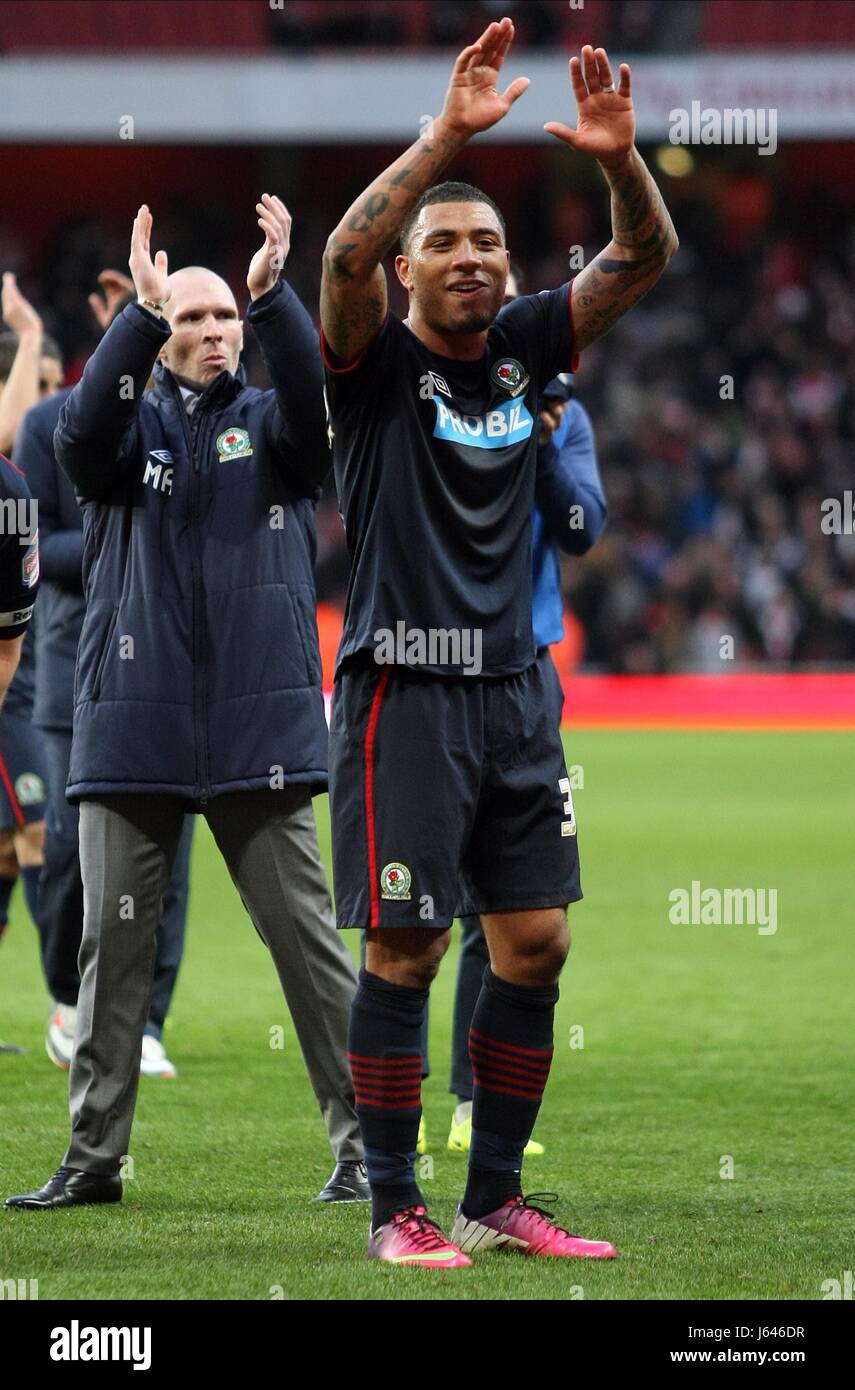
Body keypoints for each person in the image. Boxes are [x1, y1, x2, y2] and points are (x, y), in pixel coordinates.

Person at [320, 23, 677, 1266]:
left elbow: (646, 253)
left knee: (536, 940)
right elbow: (342, 247)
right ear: (410, 269)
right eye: (445, 246)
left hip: (519, 692)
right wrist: (448, 139)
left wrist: (624, 162)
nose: (468, 259)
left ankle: (492, 1194)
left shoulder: (528, 349)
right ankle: (390, 1210)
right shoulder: (367, 364)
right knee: (408, 943)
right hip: (402, 690)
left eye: (485, 243)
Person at [6, 196, 367, 1212]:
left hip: (261, 734)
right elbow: (80, 435)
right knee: (110, 957)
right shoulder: (123, 443)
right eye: (192, 320)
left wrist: (278, 296)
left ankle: (366, 1152)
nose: (212, 332)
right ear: (162, 341)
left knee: (311, 954)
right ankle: (92, 1162)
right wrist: (139, 313)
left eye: (225, 320)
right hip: (136, 729)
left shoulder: (276, 431)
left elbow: (316, 402)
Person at [14, 270, 193, 1079]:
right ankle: (66, 998)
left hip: (163, 666)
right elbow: (33, 551)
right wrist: (125, 546)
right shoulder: (50, 424)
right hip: (68, 666)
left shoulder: (181, 424)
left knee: (172, 852)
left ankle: (148, 1016)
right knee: (61, 852)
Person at [0, 276, 63, 952]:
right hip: (9, 691)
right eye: (33, 383)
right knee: (38, 831)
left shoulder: (32, 481)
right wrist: (30, 334)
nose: (48, 403)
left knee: (11, 850)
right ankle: (69, 1003)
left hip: (29, 672)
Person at [0, 450, 39, 1052]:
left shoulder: (11, 497)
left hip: (29, 695)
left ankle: (66, 1004)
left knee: (24, 845)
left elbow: (6, 645)